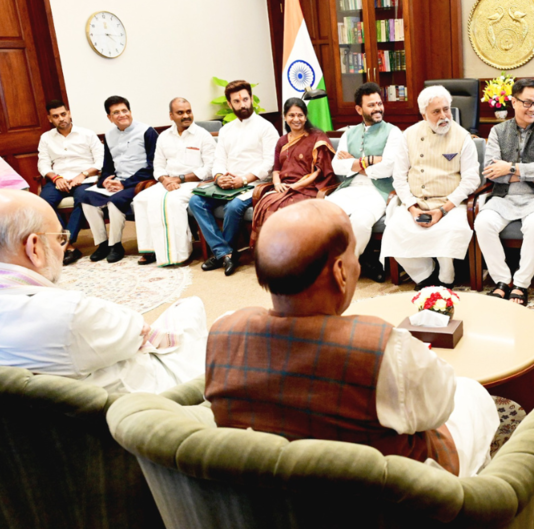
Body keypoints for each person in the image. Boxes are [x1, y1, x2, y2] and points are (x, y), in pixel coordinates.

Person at [205, 200, 499, 477]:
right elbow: (439, 410)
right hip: (394, 505)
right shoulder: (384, 349)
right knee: (471, 393)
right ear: (340, 271)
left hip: (271, 495)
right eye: (353, 253)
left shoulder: (221, 332)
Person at [0, 190, 208, 395]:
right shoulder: (67, 314)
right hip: (144, 418)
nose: (63, 248)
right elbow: (138, 331)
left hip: (13, 449)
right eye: (61, 238)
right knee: (197, 311)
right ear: (34, 247)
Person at [474, 78, 534, 306]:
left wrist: (511, 168)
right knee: (482, 223)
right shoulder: (497, 131)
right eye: (527, 103)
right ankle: (502, 281)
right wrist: (530, 172)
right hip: (504, 196)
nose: (533, 109)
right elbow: (492, 172)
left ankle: (522, 284)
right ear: (513, 102)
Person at [381, 85, 478, 290]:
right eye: (436, 111)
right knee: (394, 231)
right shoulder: (408, 136)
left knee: (449, 229)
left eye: (446, 109)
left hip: (450, 202)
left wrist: (444, 209)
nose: (444, 116)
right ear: (424, 114)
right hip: (416, 200)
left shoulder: (463, 137)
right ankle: (425, 274)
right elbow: (399, 177)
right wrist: (411, 206)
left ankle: (446, 277)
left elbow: (471, 180)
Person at [188, 80, 280, 277]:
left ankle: (222, 253)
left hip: (253, 184)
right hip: (227, 183)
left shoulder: (266, 127)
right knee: (196, 201)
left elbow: (269, 164)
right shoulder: (226, 130)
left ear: (251, 99)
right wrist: (220, 177)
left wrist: (243, 180)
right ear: (230, 104)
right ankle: (226, 253)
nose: (243, 104)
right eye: (237, 101)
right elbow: (218, 161)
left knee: (233, 206)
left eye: (245, 99)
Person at [330, 82, 402, 282]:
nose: (378, 108)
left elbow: (388, 167)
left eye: (379, 103)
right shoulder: (348, 133)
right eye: (371, 105)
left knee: (360, 222)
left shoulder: (393, 132)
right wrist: (371, 160)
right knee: (322, 214)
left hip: (378, 191)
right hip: (350, 187)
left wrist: (353, 162)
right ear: (359, 109)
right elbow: (336, 167)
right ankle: (326, 265)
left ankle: (346, 269)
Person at [132, 98, 216, 267]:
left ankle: (180, 254)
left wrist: (180, 179)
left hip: (194, 182)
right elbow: (158, 166)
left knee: (171, 201)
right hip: (167, 181)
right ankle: (150, 250)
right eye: (180, 112)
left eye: (188, 111)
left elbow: (209, 168)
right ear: (171, 115)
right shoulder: (163, 137)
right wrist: (165, 180)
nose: (186, 116)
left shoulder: (203, 136)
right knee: (140, 199)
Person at [249, 98, 337, 247]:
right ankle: (273, 255)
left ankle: (296, 255)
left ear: (305, 116)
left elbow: (319, 172)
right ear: (285, 117)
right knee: (266, 206)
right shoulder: (282, 141)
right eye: (291, 115)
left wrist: (296, 186)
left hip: (308, 189)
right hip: (284, 188)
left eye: (300, 115)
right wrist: (277, 184)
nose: (296, 119)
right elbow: (276, 169)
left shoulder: (317, 137)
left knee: (290, 211)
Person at [81, 96, 159, 264]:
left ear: (130, 112)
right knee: (86, 198)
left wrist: (124, 183)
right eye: (116, 112)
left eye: (125, 110)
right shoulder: (109, 136)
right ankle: (102, 244)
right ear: (109, 117)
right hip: (118, 181)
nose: (122, 115)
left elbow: (154, 166)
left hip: (139, 182)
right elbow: (107, 166)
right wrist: (105, 181)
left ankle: (115, 244)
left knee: (115, 201)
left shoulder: (147, 131)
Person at [36, 99, 104, 265]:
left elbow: (101, 160)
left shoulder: (87, 134)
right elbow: (43, 164)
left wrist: (83, 174)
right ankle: (70, 246)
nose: (61, 118)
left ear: (69, 113)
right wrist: (56, 178)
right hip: (59, 180)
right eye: (56, 116)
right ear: (49, 119)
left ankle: (65, 243)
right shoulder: (46, 138)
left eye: (63, 114)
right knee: (42, 204)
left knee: (84, 199)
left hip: (85, 179)